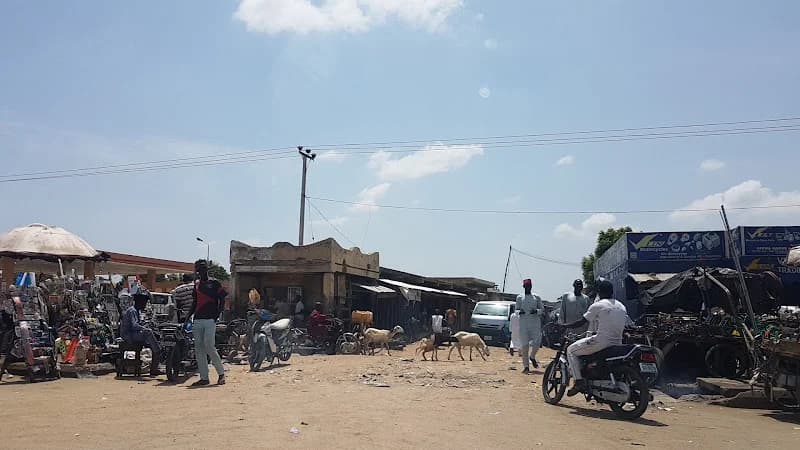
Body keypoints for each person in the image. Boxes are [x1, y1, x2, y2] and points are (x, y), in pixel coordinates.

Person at [560, 278, 631, 397]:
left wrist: (564, 325)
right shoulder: (621, 306)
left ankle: (578, 381)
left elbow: (581, 322)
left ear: (599, 291)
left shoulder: (597, 305)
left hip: (600, 341)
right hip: (617, 344)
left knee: (571, 350)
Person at [185, 259, 227, 387]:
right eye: (198, 269)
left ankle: (221, 374)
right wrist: (188, 316)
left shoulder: (214, 283)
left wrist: (216, 315)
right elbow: (194, 302)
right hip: (197, 319)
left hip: (210, 320)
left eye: (203, 268)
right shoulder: (196, 284)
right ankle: (204, 377)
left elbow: (222, 299)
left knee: (209, 346)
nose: (200, 271)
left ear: (207, 269)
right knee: (199, 349)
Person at [120, 292, 162, 376]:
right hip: (128, 335)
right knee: (149, 332)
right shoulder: (132, 311)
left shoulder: (136, 311)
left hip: (133, 334)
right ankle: (157, 350)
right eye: (144, 303)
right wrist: (144, 328)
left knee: (150, 332)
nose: (145, 305)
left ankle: (154, 366)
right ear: (140, 303)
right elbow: (134, 325)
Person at [516, 278, 544, 373]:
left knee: (537, 343)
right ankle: (526, 366)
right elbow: (516, 310)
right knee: (525, 346)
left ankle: (532, 357)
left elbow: (542, 310)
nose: (528, 288)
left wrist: (536, 311)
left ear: (531, 287)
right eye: (526, 286)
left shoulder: (537, 297)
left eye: (529, 286)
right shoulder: (520, 297)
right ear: (524, 287)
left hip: (535, 323)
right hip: (523, 324)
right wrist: (520, 311)